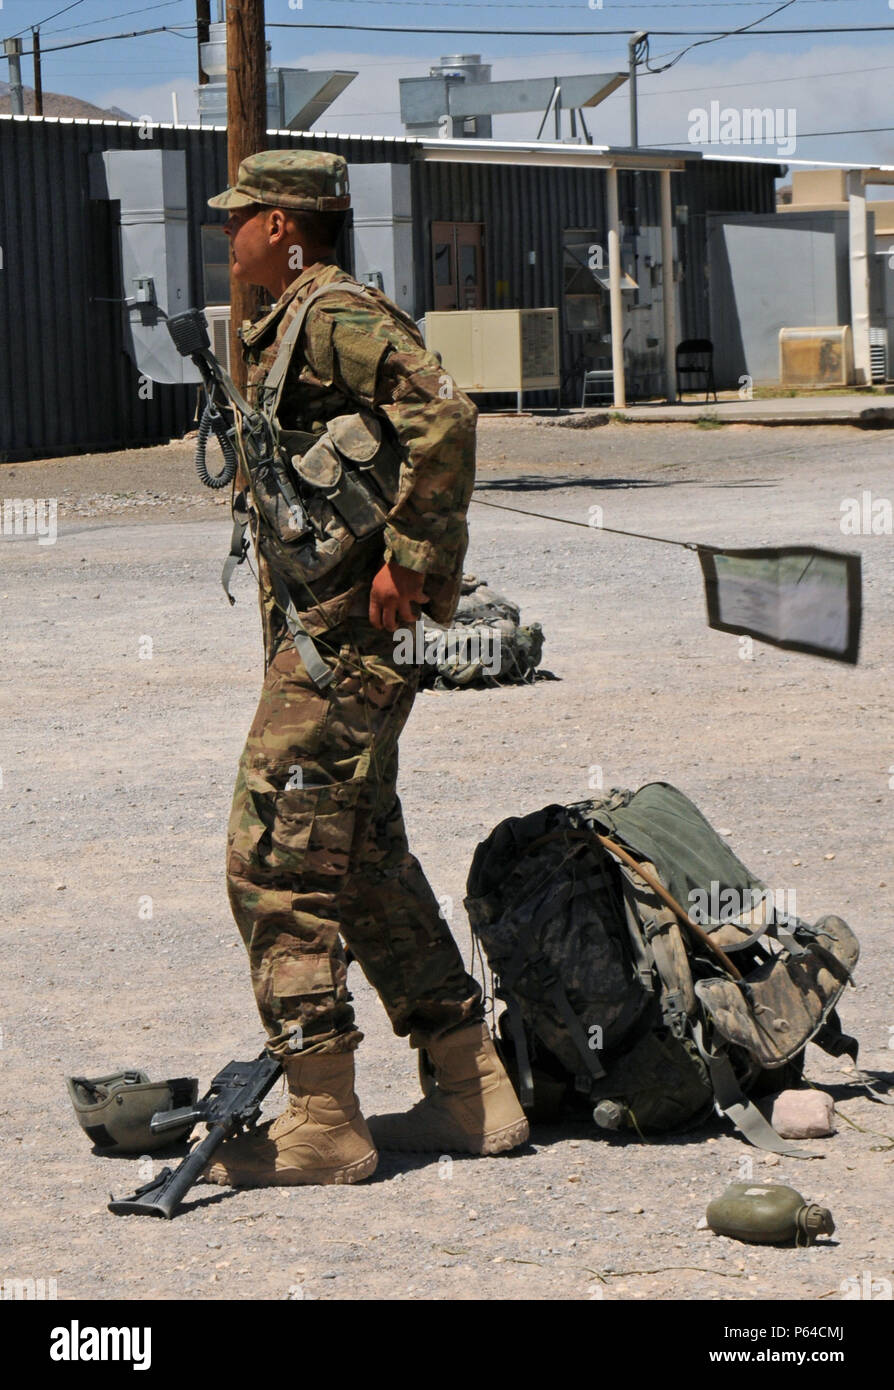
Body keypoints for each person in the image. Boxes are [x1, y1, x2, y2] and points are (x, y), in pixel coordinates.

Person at [202, 149, 528, 1188]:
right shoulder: (294, 314)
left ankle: (323, 1116)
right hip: (330, 632)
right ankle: (473, 1086)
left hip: (349, 639)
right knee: (362, 851)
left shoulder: (337, 313)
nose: (231, 231)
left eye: (243, 215)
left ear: (286, 225)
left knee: (277, 855)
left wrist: (416, 560)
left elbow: (447, 414)